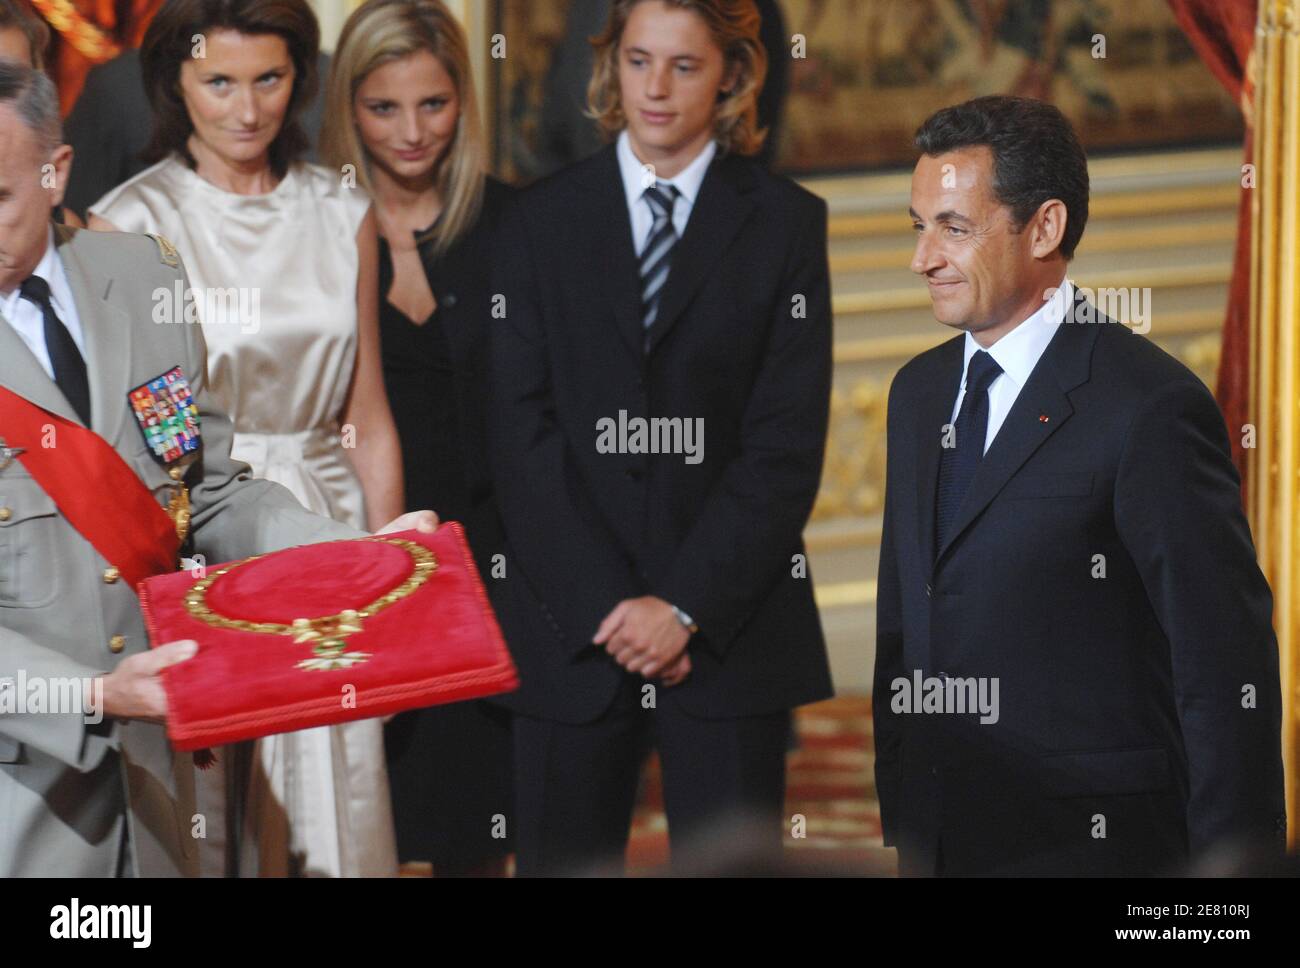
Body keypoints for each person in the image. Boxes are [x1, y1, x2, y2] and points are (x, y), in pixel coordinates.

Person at [0, 61, 435, 877]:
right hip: (24, 799)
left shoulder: (141, 276)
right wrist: (93, 695)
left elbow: (203, 487)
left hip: (161, 785)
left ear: (56, 173)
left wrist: (349, 553)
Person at [874, 95, 1287, 876]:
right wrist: (904, 814)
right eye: (918, 225)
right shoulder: (916, 394)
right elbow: (906, 619)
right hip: (941, 838)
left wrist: (1235, 891)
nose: (923, 258)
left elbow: (1222, 666)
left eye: (953, 228)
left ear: (1046, 228)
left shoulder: (1148, 407)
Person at [490, 0, 833, 875]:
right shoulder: (537, 221)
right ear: (610, 65)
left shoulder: (787, 225)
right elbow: (520, 436)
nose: (655, 87)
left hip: (727, 637)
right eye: (638, 60)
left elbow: (783, 447)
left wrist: (681, 609)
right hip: (571, 635)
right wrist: (611, 607)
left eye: (683, 66)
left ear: (733, 75)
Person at [86, 0, 404, 877]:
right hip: (202, 529)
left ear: (299, 77)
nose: (247, 108)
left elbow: (368, 414)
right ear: (174, 82)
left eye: (269, 78)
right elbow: (133, 434)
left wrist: (392, 573)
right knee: (211, 810)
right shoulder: (125, 223)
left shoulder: (343, 211)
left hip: (326, 519)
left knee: (333, 797)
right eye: (218, 82)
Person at [321, 0, 514, 876]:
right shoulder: (313, 235)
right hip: (363, 554)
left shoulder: (521, 228)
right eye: (383, 107)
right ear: (347, 109)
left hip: (498, 565)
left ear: (463, 101)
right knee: (366, 820)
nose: (411, 132)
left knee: (482, 823)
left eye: (433, 104)